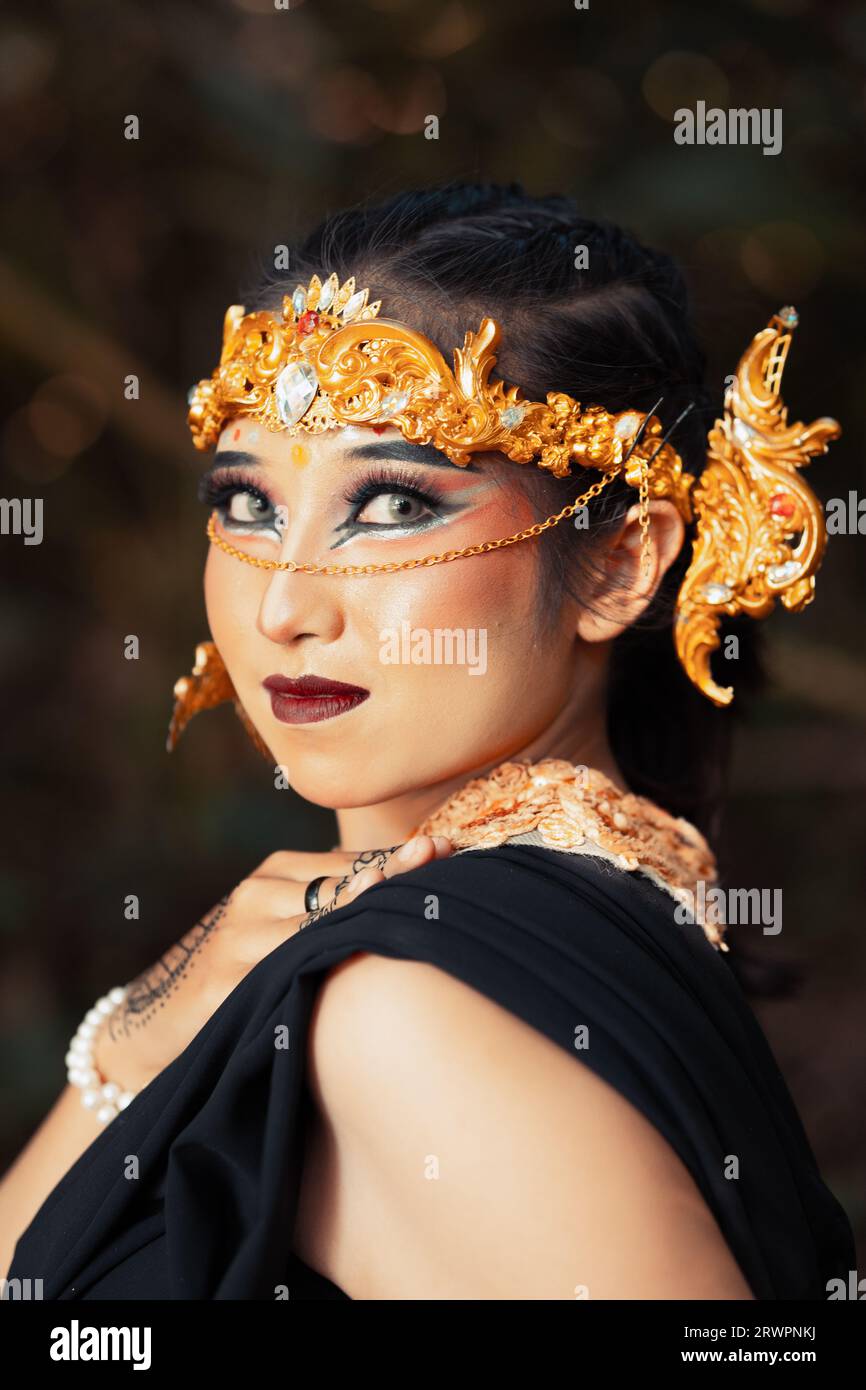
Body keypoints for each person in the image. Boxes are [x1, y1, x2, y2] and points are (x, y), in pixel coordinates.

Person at [1, 182, 855, 1300]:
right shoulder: (498, 954)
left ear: (618, 564)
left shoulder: (402, 1012)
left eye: (393, 505)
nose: (283, 609)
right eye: (247, 504)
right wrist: (142, 1039)